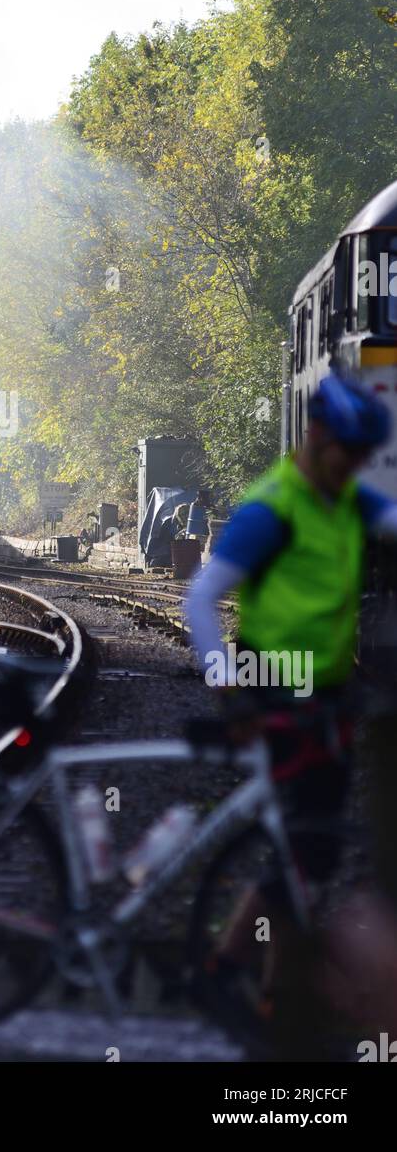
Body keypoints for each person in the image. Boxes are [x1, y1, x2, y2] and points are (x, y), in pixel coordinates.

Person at [185, 372, 397, 1004]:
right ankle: (239, 974)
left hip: (324, 696)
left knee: (311, 852)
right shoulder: (271, 509)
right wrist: (231, 691)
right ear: (316, 436)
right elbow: (199, 600)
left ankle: (257, 983)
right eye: (347, 455)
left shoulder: (348, 500)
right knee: (303, 846)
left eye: (364, 458)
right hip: (274, 687)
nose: (355, 467)